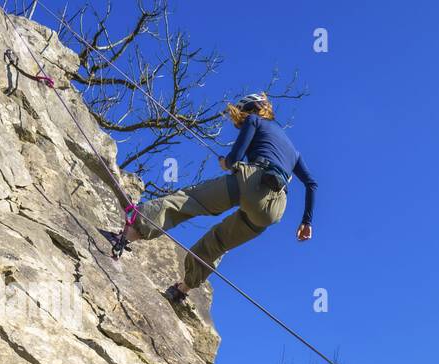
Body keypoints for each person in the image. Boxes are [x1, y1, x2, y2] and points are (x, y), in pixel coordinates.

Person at [112, 91, 316, 303]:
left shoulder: (254, 120)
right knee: (218, 244)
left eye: (240, 116)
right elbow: (311, 183)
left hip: (253, 181)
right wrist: (306, 221)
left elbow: (235, 158)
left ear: (250, 109)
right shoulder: (294, 152)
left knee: (189, 200)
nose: (239, 121)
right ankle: (182, 289)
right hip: (275, 208)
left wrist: (226, 164)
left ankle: (128, 234)